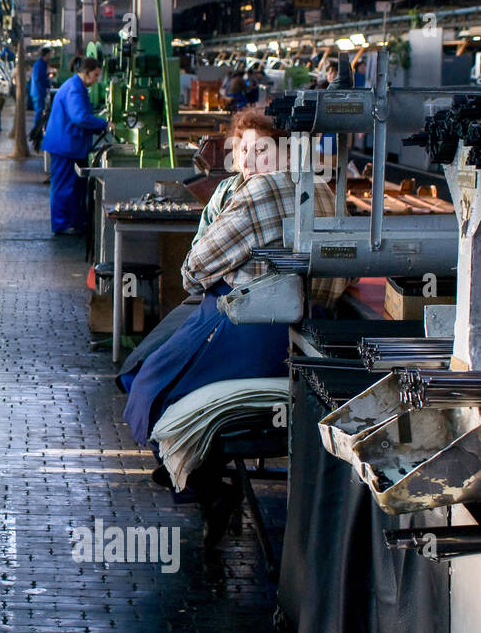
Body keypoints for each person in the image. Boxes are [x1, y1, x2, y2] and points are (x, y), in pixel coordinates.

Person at [121, 106, 348, 539]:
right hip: (299, 336)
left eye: (261, 150)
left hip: (247, 330)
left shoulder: (261, 192)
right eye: (241, 149)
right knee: (152, 369)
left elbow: (195, 267)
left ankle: (206, 486)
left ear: (284, 151)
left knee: (149, 385)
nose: (248, 160)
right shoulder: (321, 188)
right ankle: (203, 476)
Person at [41, 56, 108, 235]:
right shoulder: (74, 89)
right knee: (64, 187)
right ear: (86, 73)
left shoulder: (77, 87)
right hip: (65, 147)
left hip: (71, 146)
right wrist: (104, 124)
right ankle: (62, 225)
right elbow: (79, 117)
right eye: (95, 75)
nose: (96, 80)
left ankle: (75, 222)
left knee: (76, 188)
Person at [28, 47, 53, 150]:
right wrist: (48, 82)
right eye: (49, 54)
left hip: (38, 92)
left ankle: (36, 134)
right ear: (46, 54)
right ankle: (35, 135)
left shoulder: (40, 63)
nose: (50, 56)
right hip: (38, 92)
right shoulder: (40, 64)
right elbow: (39, 78)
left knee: (39, 112)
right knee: (38, 113)